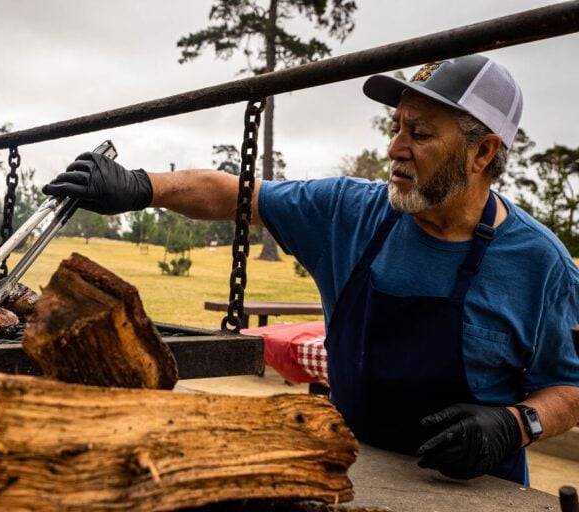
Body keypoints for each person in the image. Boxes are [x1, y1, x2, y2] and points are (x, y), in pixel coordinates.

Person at [43, 54, 579, 485]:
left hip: (478, 494)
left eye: (419, 133)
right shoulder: (349, 213)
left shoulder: (540, 263)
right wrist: (140, 186)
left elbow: (571, 386)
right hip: (353, 470)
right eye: (395, 127)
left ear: (482, 151)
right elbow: (236, 194)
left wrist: (516, 424)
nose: (395, 148)